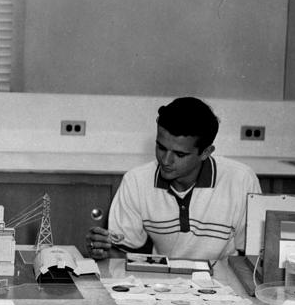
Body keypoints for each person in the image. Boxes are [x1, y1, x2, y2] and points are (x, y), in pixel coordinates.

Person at [87, 96, 261, 261]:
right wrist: (103, 251)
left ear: (206, 152)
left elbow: (253, 258)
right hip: (162, 284)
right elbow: (120, 256)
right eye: (161, 147)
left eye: (179, 154)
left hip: (222, 283)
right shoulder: (136, 181)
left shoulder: (241, 180)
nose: (165, 160)